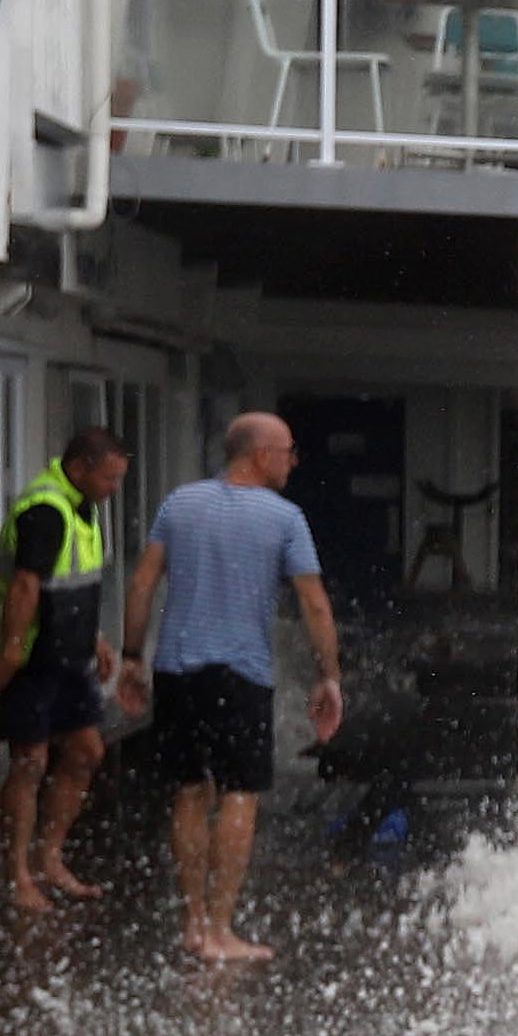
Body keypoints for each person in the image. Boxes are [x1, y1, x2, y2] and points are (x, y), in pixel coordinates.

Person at [116, 410, 346, 964]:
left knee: (190, 792)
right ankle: (221, 929)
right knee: (239, 795)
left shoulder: (179, 503)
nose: (292, 462)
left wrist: (130, 657)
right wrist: (330, 675)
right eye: (288, 451)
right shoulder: (285, 518)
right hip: (241, 676)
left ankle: (193, 923)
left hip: (178, 671)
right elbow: (313, 602)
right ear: (261, 455)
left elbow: (143, 582)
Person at [0, 426, 127, 909]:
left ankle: (50, 857)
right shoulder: (46, 509)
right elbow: (26, 587)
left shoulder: (82, 507)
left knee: (87, 751)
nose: (115, 490)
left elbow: (69, 582)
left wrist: (95, 636)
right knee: (30, 761)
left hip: (71, 657)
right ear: (80, 469)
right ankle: (16, 874)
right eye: (110, 479)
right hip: (34, 661)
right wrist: (9, 653)